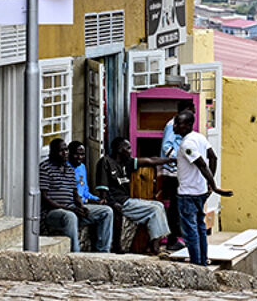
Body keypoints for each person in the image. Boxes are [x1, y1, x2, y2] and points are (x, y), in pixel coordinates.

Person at [94, 137, 176, 254]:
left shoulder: (127, 162)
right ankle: (155, 247)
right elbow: (103, 191)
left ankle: (153, 244)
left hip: (128, 200)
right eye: (128, 148)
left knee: (159, 205)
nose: (131, 151)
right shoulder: (105, 162)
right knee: (155, 209)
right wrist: (113, 204)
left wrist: (171, 160)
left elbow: (150, 161)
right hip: (120, 203)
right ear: (119, 150)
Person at [174, 110, 233, 265]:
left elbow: (201, 164)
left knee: (191, 230)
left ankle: (196, 262)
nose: (174, 127)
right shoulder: (199, 137)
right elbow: (213, 157)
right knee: (200, 227)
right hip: (200, 192)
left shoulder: (187, 143)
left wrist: (213, 185)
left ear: (187, 125)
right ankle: (202, 261)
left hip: (188, 193)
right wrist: (208, 185)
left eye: (178, 123)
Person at [40, 139, 114, 253]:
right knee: (70, 216)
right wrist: (70, 209)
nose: (65, 153)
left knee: (106, 211)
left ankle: (103, 251)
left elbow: (75, 193)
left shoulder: (69, 169)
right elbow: (44, 198)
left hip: (72, 208)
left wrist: (81, 206)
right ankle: (75, 254)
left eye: (66, 150)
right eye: (61, 151)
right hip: (53, 212)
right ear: (52, 152)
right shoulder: (45, 167)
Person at [160, 98, 195, 246]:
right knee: (175, 205)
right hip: (172, 171)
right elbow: (167, 146)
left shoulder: (183, 125)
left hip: (178, 170)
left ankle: (176, 237)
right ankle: (172, 239)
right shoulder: (172, 125)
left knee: (178, 204)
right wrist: (179, 159)